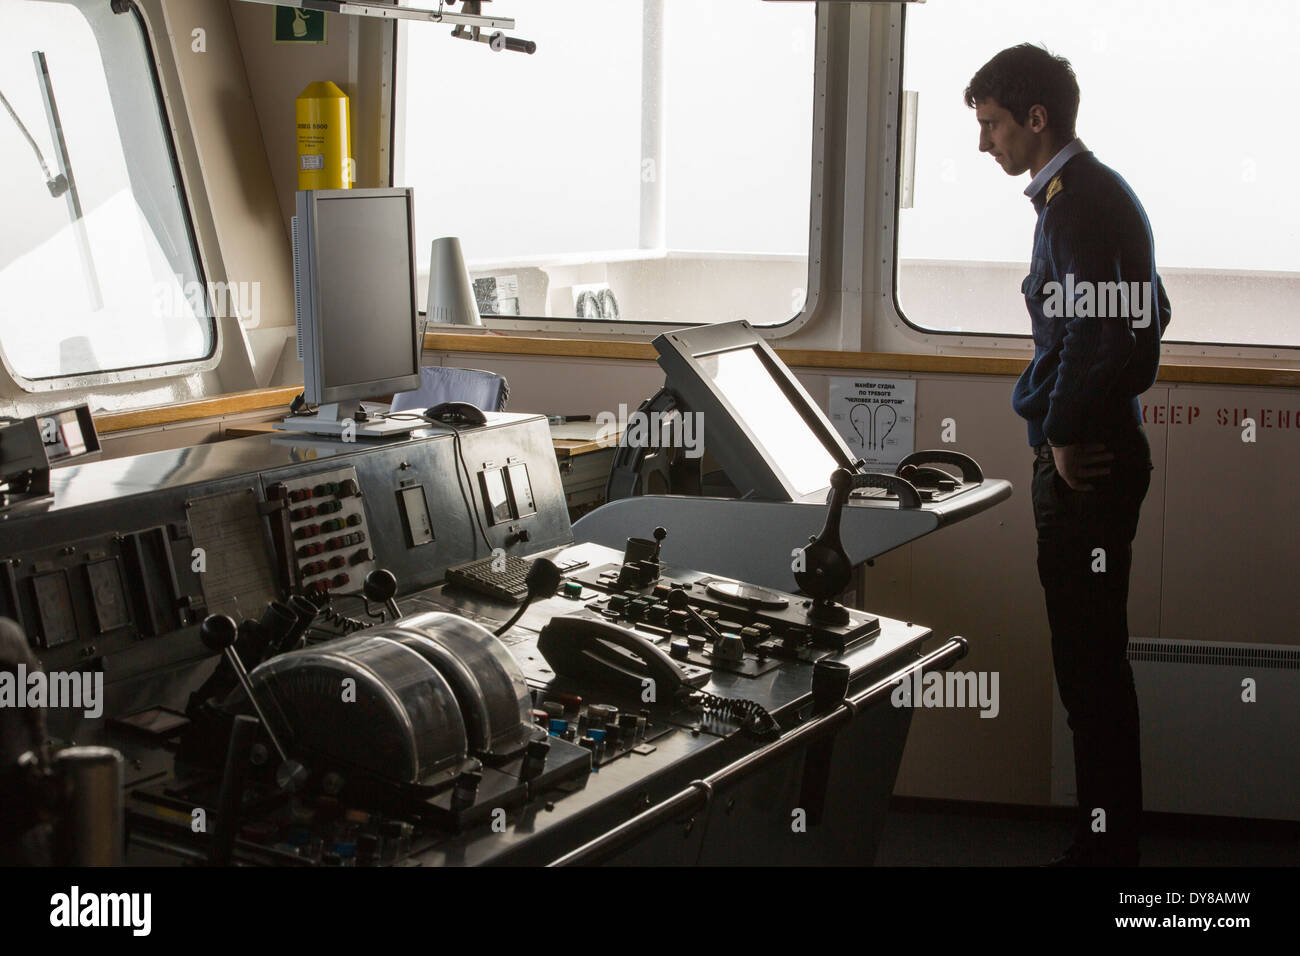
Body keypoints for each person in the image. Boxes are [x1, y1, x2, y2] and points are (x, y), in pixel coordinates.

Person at [965, 44, 1171, 866]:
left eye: (992, 125)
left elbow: (1101, 333)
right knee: (1095, 668)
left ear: (1036, 119)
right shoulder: (1091, 195)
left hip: (1087, 463)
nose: (985, 144)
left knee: (1088, 675)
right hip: (1102, 447)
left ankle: (1104, 852)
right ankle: (1108, 841)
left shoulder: (1077, 204)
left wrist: (1060, 432)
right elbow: (1148, 316)